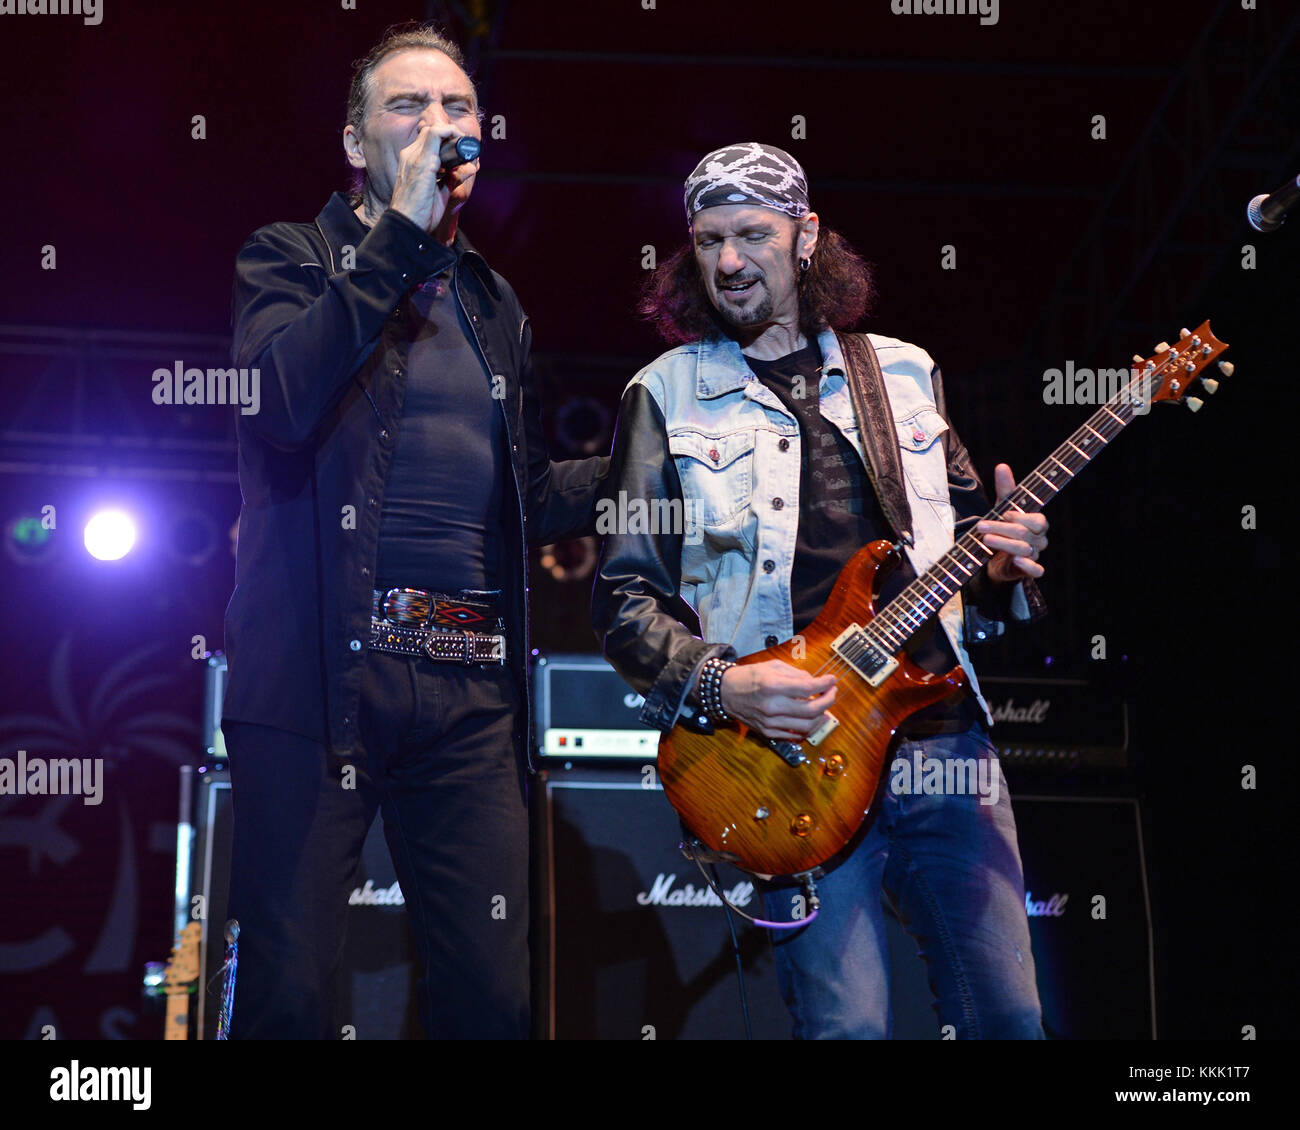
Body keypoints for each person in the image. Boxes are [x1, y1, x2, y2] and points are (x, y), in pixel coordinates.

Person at [592, 142, 1049, 1039]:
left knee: (1008, 1016)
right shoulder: (664, 395)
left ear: (805, 237)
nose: (729, 260)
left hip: (942, 738)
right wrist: (727, 684)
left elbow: (970, 553)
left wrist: (1004, 570)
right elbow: (623, 600)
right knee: (848, 1029)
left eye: (753, 235)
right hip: (793, 756)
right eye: (709, 240)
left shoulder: (903, 372)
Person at [221, 24, 606, 1039]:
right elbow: (278, 401)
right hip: (315, 684)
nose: (439, 125)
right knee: (287, 996)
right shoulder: (289, 256)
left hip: (468, 694)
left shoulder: (493, 301)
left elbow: (524, 493)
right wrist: (398, 232)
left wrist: (658, 470)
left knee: (494, 1001)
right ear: (356, 143)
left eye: (458, 108)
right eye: (408, 106)